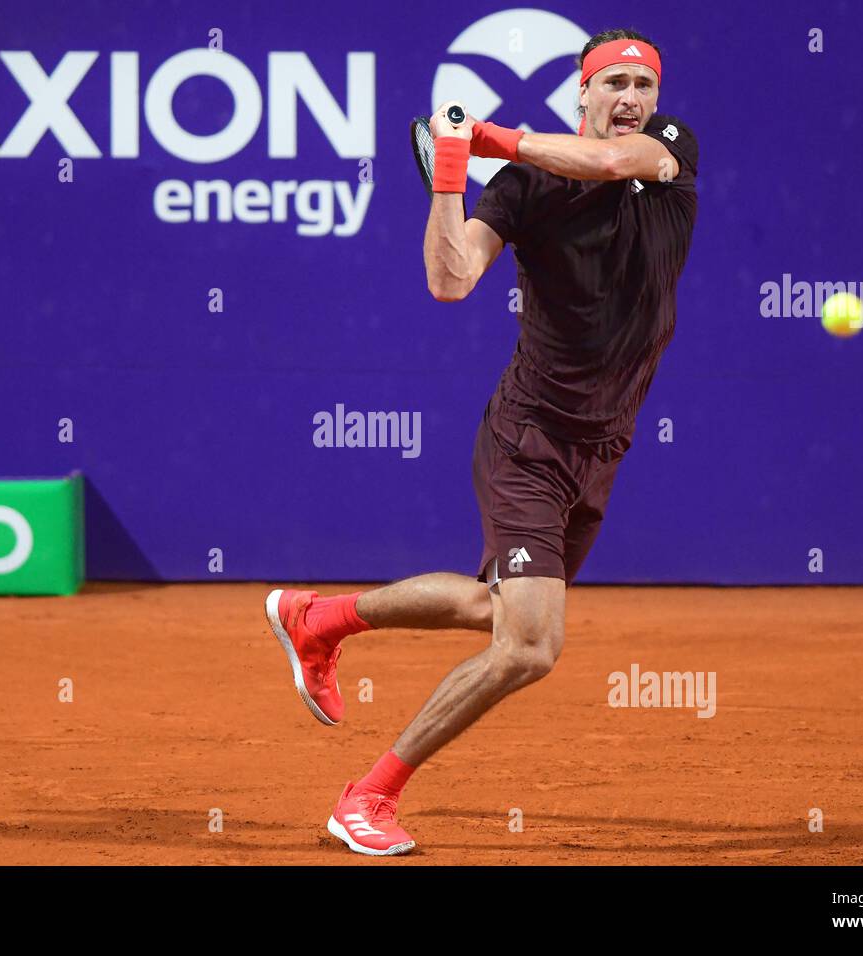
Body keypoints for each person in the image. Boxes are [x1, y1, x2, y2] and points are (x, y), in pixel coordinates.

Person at [266, 28, 698, 856]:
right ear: (582, 94)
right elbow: (450, 279)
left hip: (603, 449)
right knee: (531, 644)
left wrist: (491, 135)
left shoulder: (667, 153)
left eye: (643, 85)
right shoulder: (526, 190)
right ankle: (366, 797)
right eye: (613, 84)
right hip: (529, 439)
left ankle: (317, 618)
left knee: (488, 608)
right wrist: (453, 181)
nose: (631, 99)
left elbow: (609, 165)